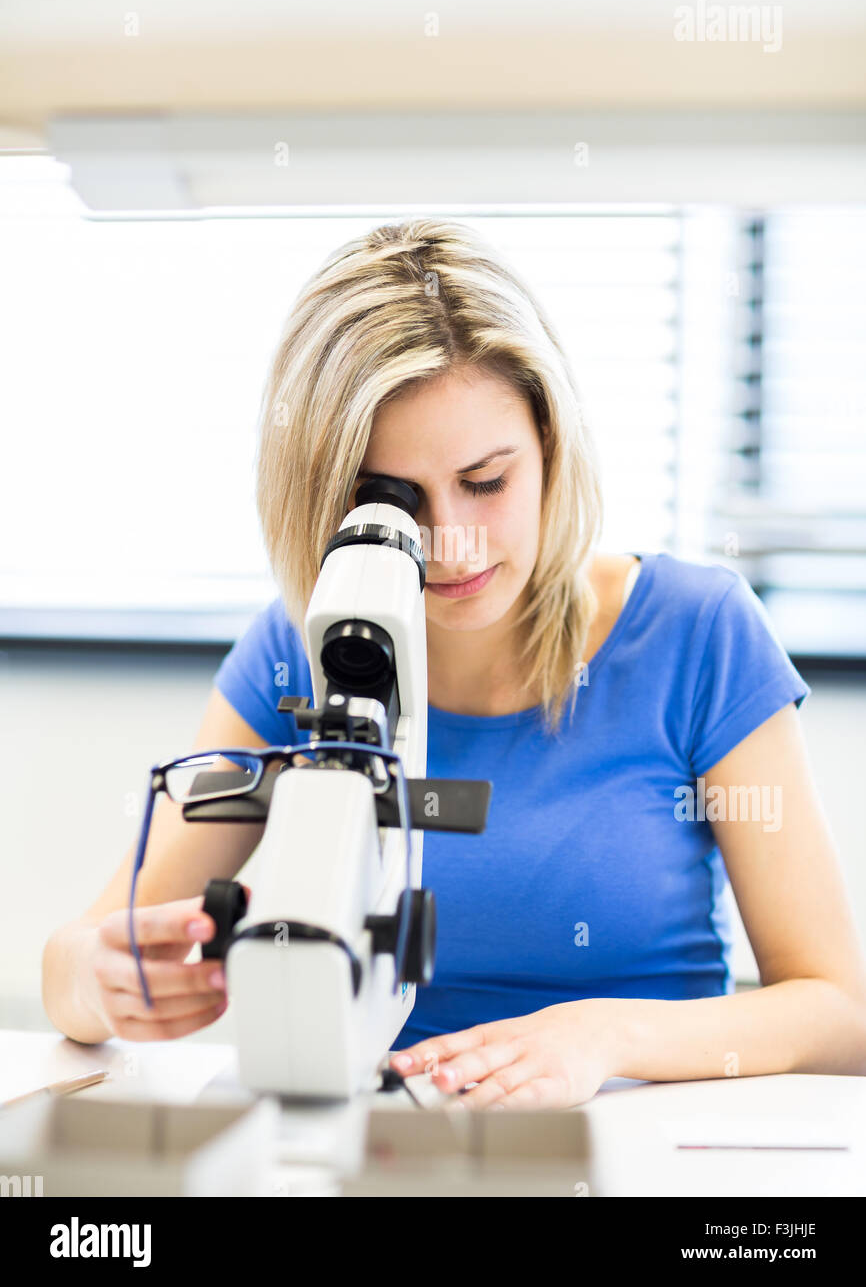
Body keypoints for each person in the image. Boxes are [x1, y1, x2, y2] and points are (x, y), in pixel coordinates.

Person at [42, 218, 866, 1110]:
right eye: (394, 505)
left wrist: (601, 1033)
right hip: (388, 1147)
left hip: (633, 1136)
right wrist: (101, 980)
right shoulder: (311, 648)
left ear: (551, 448)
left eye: (486, 481)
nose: (451, 543)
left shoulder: (698, 635)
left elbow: (841, 1015)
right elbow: (74, 962)